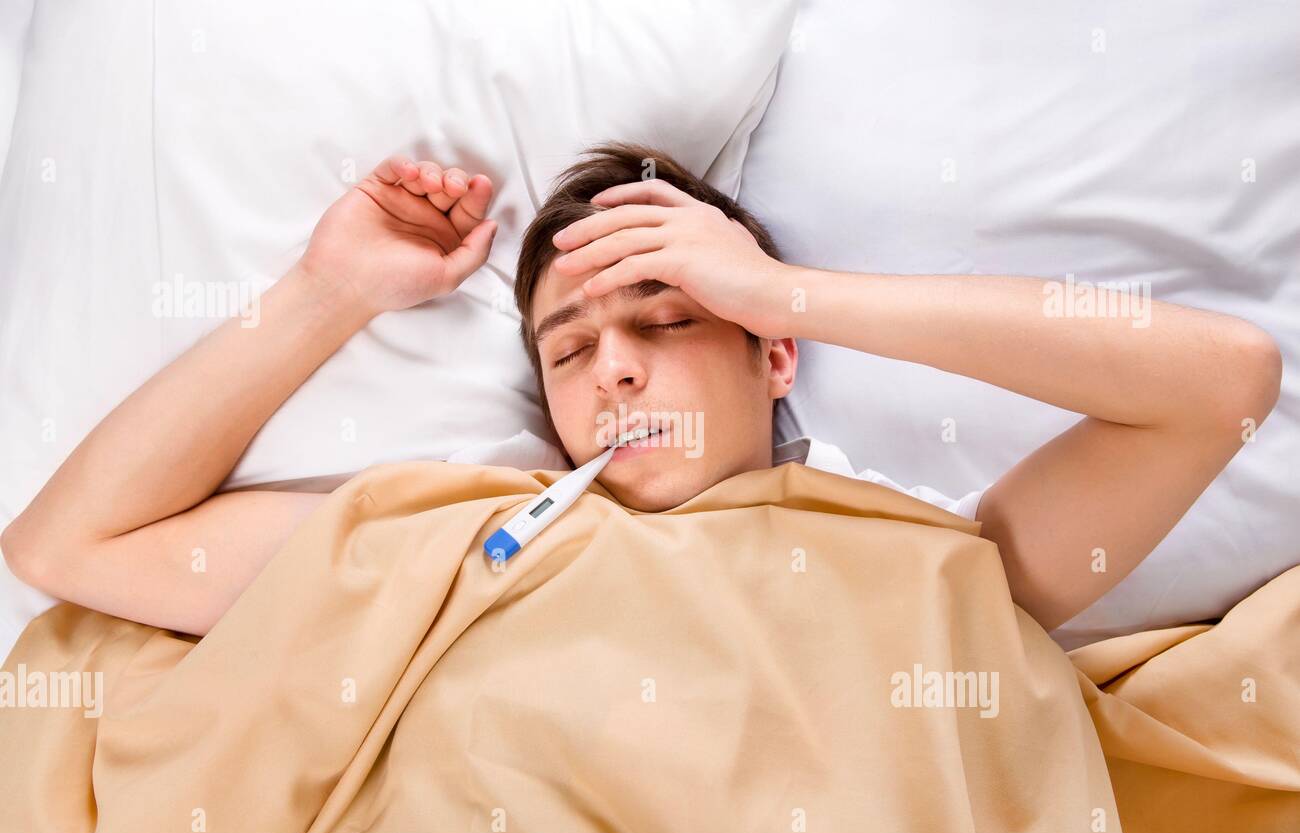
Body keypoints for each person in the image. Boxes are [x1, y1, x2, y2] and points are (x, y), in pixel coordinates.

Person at [0, 143, 1282, 639]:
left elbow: (1219, 380)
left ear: (771, 356)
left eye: (665, 317)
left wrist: (792, 291)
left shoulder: (937, 569)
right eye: (567, 349)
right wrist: (329, 290)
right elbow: (67, 544)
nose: (613, 365)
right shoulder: (448, 535)